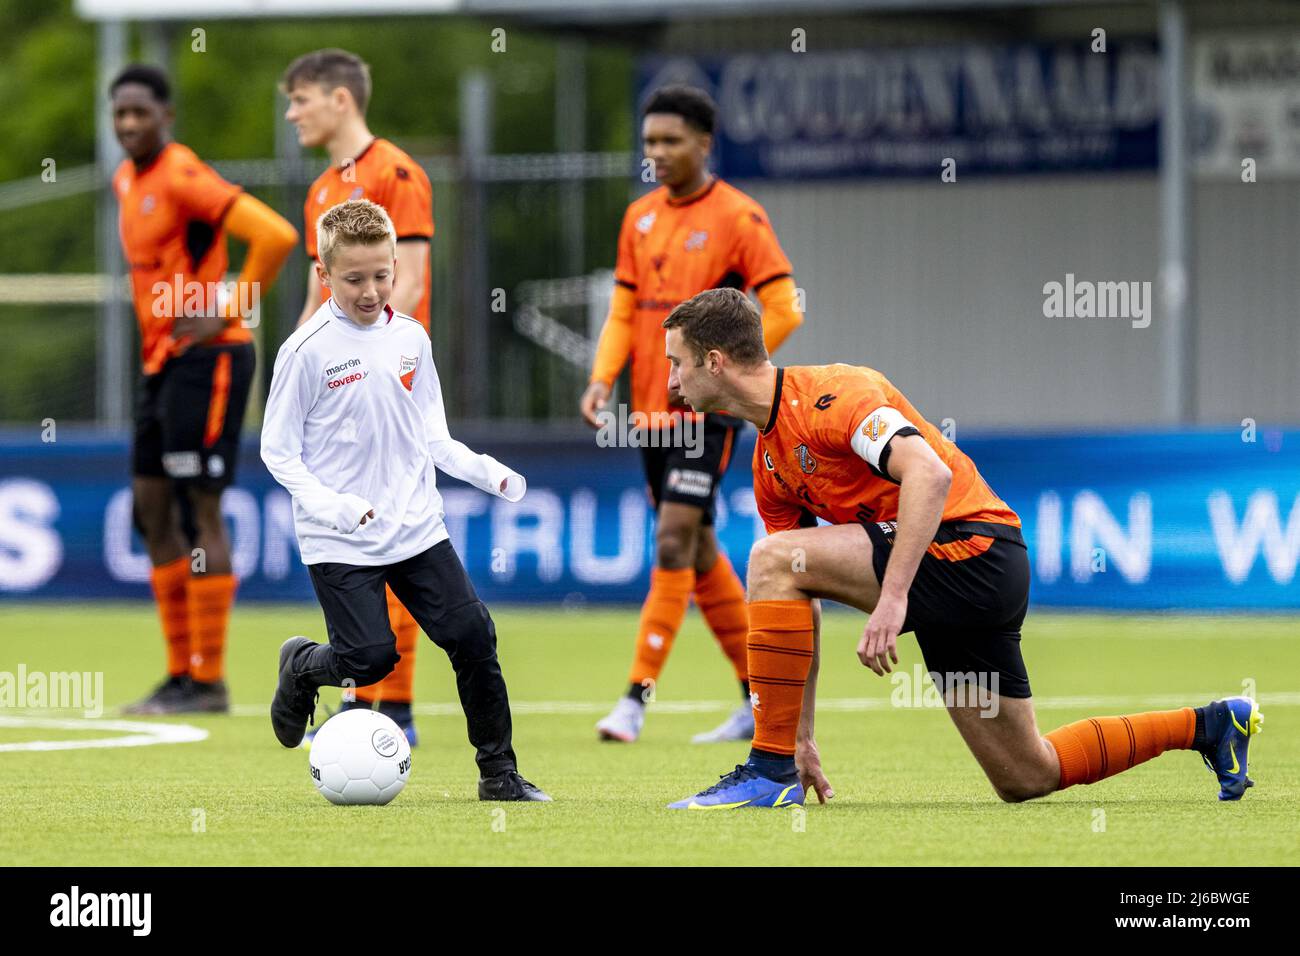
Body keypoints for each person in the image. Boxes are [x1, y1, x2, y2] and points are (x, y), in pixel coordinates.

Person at [661, 288, 1262, 809]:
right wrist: (800, 735)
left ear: (714, 362)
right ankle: (1211, 724)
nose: (670, 382)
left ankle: (766, 776)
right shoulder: (769, 462)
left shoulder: (835, 397)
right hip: (954, 579)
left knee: (770, 557)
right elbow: (797, 597)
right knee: (1027, 774)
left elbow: (929, 476)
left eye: (677, 364)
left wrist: (893, 598)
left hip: (974, 551)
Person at [260, 200, 548, 801]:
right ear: (324, 276)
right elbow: (277, 452)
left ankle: (500, 776)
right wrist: (334, 505)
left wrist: (485, 472)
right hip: (338, 535)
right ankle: (303, 665)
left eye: (382, 275)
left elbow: (433, 437)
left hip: (416, 527)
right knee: (368, 658)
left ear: (397, 265)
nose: (370, 291)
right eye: (354, 278)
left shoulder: (412, 337)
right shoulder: (304, 350)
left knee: (473, 635)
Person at [581, 85, 804, 744]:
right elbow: (625, 311)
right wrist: (602, 378)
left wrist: (727, 374)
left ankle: (634, 698)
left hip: (703, 412)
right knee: (699, 548)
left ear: (704, 143)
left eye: (670, 141)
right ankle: (755, 698)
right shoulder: (639, 218)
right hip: (649, 413)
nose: (657, 153)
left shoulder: (740, 217)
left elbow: (786, 306)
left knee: (673, 539)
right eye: (649, 141)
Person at [113, 65, 299, 715]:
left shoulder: (183, 175)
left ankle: (209, 680)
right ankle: (179, 674)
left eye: (140, 112)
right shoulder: (125, 179)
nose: (128, 124)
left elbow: (276, 236)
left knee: (200, 513)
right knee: (149, 512)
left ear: (165, 116)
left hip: (211, 359)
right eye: (120, 114)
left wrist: (228, 310)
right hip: (162, 365)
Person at [282, 48, 434, 744]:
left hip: (390, 387)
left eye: (301, 99)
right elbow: (322, 299)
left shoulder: (397, 173)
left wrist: (370, 368)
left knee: (398, 530)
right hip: (336, 391)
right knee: (355, 535)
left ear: (341, 100)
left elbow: (409, 283)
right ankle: (365, 694)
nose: (293, 113)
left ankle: (388, 705)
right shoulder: (321, 190)